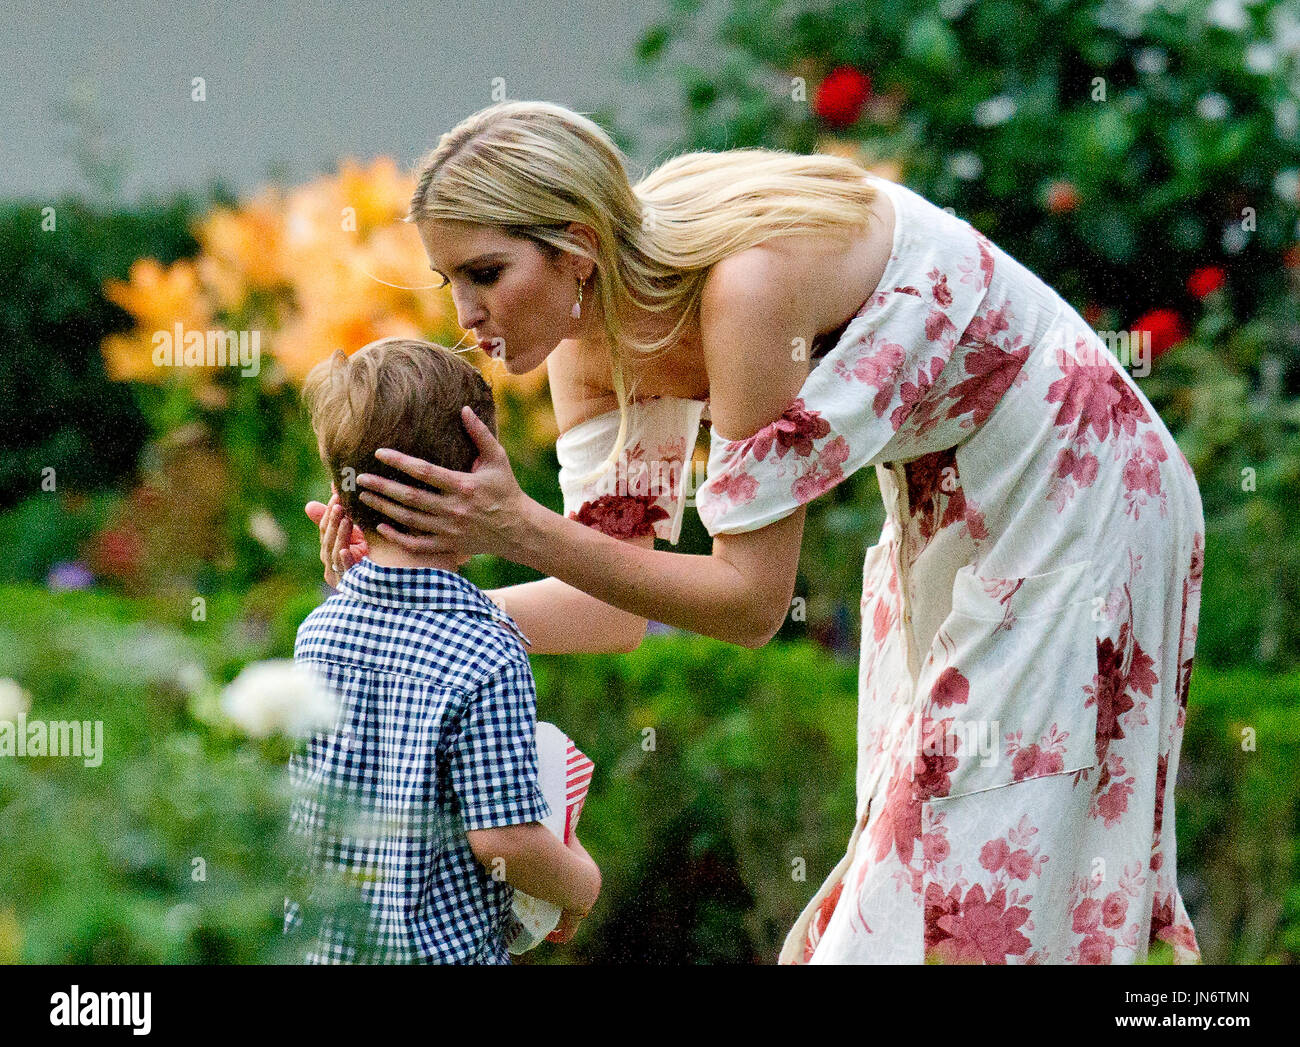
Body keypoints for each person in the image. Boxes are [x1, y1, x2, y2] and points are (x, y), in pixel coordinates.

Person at [308, 101, 1204, 964]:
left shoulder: (746, 291)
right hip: (945, 499)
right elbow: (612, 605)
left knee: (970, 859)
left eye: (486, 274)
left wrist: (523, 529)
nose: (466, 315)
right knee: (924, 863)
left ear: (577, 248)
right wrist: (403, 604)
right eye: (449, 280)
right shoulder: (589, 341)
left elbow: (750, 603)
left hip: (1078, 486)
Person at [289, 336, 600, 963]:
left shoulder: (318, 632)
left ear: (341, 492)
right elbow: (504, 842)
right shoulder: (486, 652)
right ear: (474, 480)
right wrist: (579, 884)